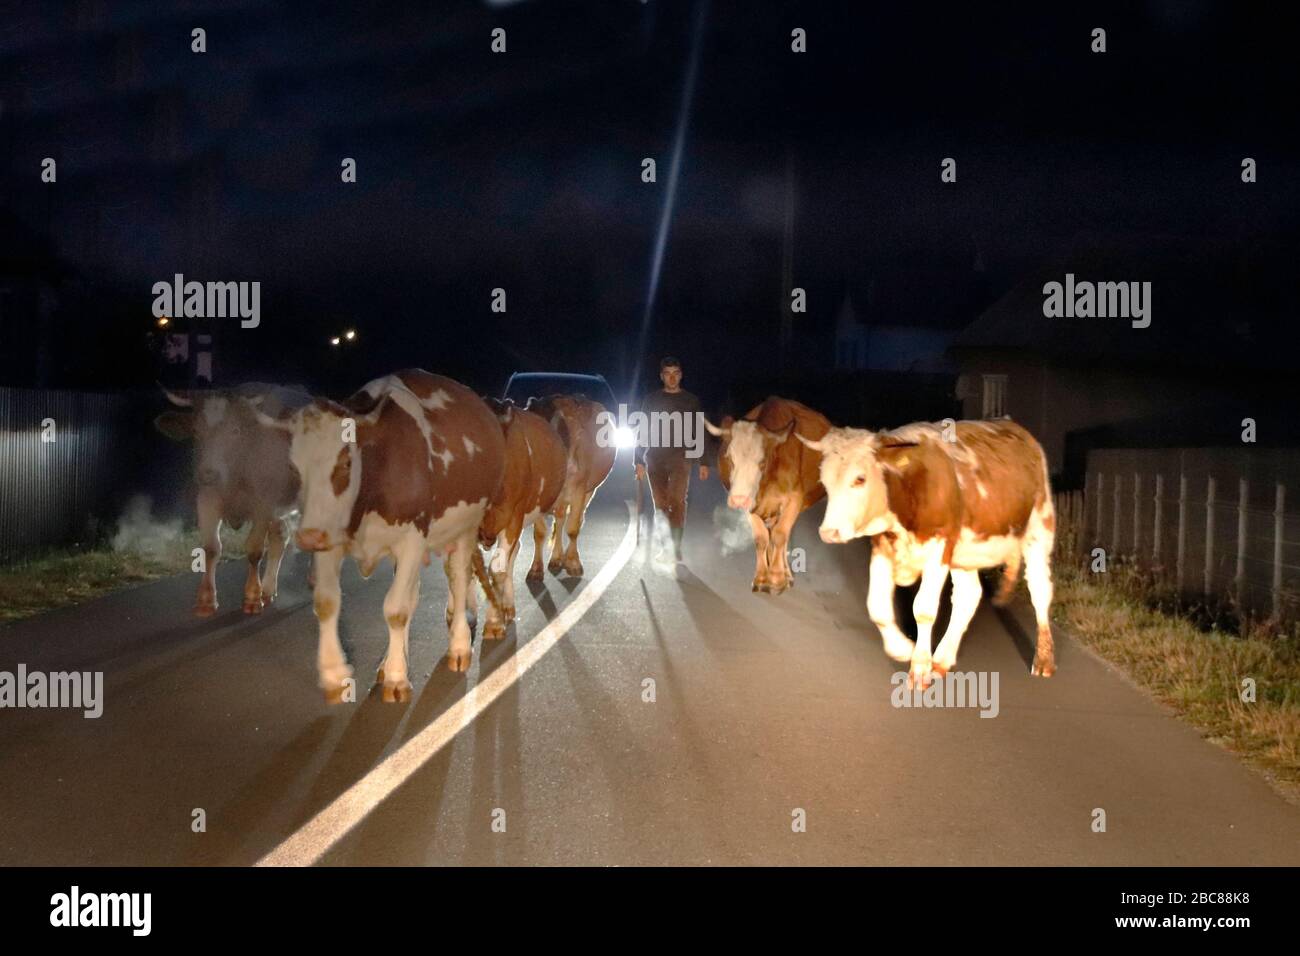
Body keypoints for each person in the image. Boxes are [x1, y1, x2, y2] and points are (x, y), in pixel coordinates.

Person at [634, 356, 712, 562]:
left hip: (681, 457)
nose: (672, 378)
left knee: (677, 500)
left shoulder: (690, 400)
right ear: (662, 376)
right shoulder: (651, 400)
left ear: (681, 375)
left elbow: (699, 432)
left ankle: (675, 547)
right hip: (655, 457)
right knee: (660, 503)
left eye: (675, 373)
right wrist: (638, 460)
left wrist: (703, 461)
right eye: (668, 374)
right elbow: (642, 429)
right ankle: (664, 546)